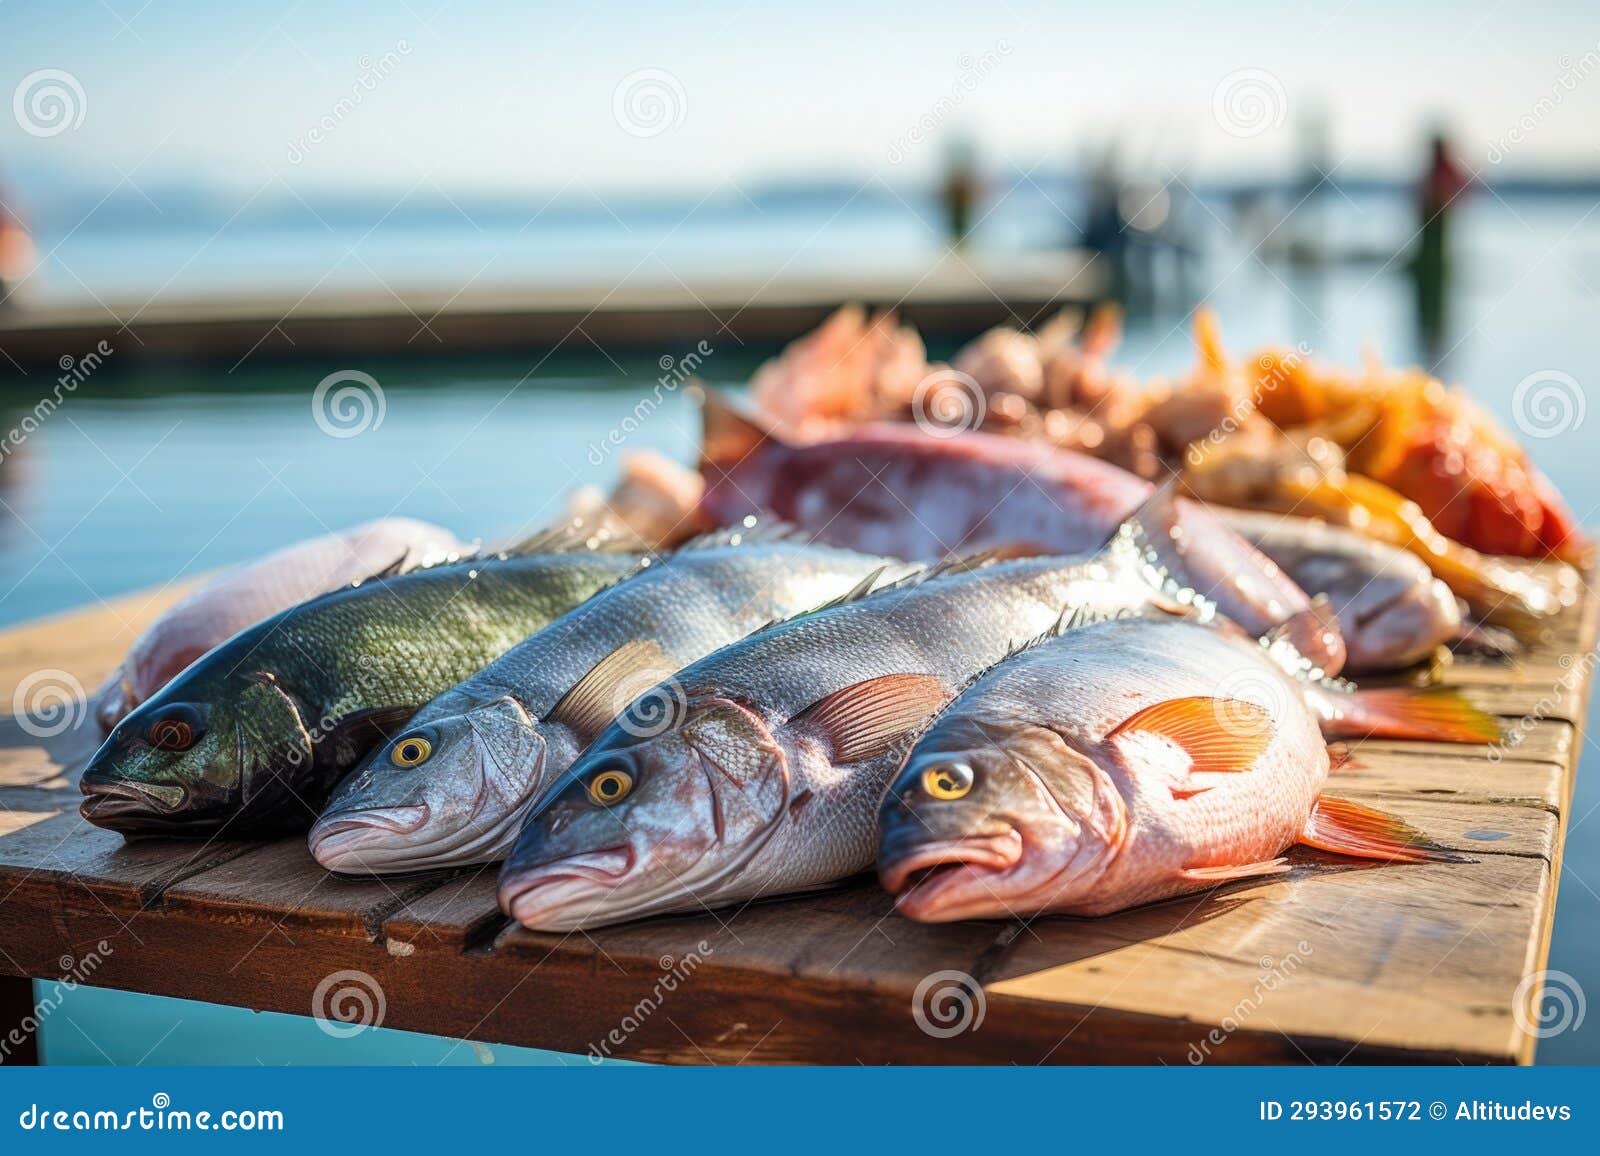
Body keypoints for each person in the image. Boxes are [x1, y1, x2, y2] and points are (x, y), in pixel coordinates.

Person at [1411, 131, 1471, 362]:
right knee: (1430, 256)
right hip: (1430, 216)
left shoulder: (1444, 167)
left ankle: (1433, 270)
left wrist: (1445, 200)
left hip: (1437, 216)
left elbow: (1463, 187)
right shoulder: (1435, 168)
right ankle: (1429, 270)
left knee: (1435, 256)